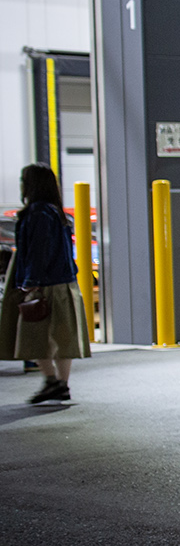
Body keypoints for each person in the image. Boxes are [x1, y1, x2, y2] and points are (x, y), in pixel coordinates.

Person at [1, 163, 90, 404]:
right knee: (63, 337)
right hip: (65, 283)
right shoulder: (58, 213)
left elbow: (38, 252)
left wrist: (31, 283)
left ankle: (51, 381)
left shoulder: (37, 213)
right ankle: (61, 383)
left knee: (33, 335)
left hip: (44, 284)